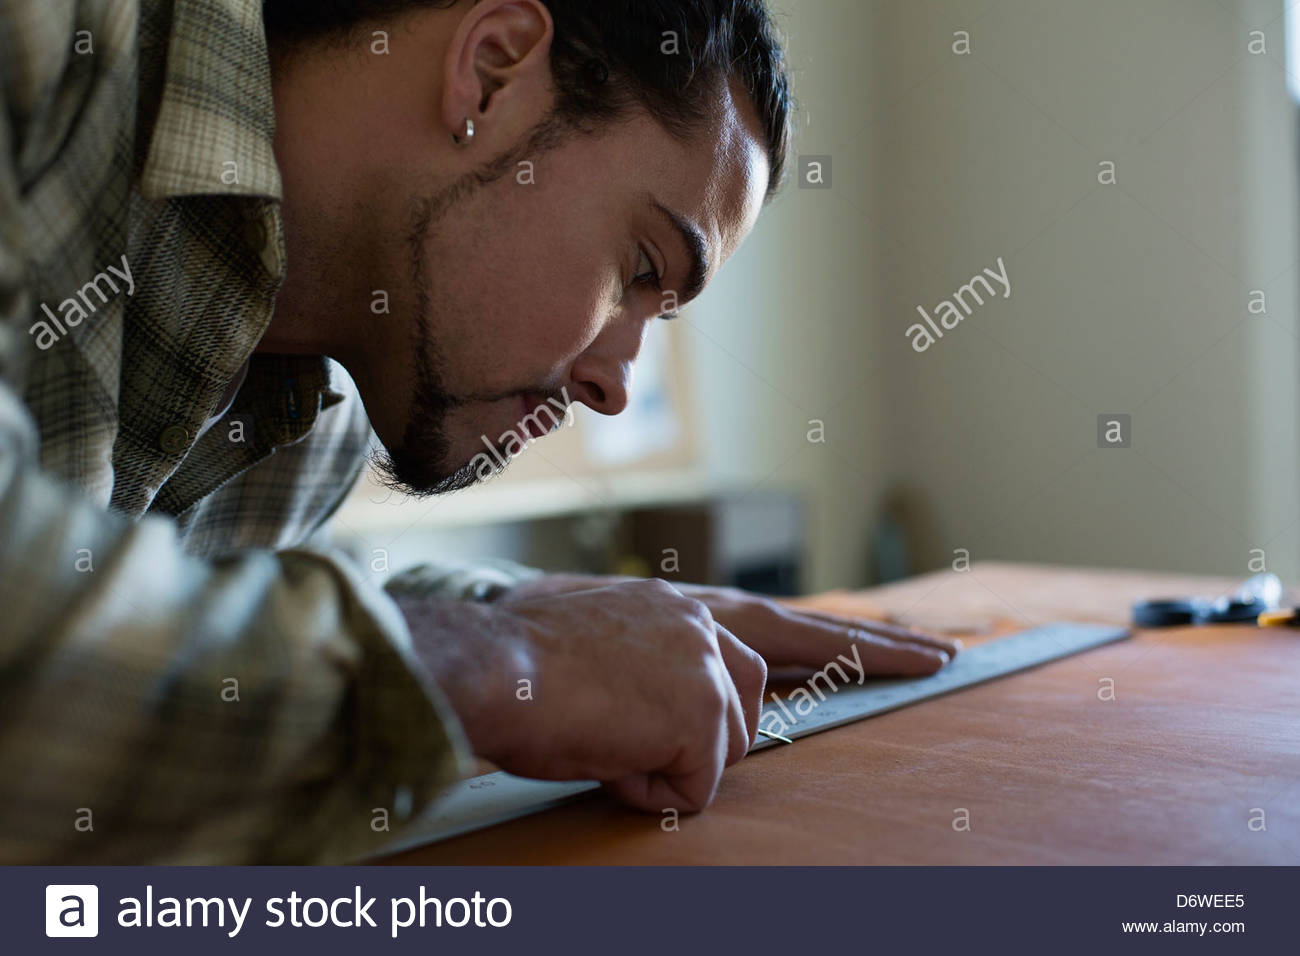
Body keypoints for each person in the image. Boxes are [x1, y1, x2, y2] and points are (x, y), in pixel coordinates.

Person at [0, 0, 958, 863]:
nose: (616, 386)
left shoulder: (306, 422)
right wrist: (512, 665)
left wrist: (530, 613)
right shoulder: (39, 42)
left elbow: (195, 612)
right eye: (639, 266)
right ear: (492, 69)